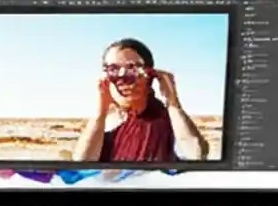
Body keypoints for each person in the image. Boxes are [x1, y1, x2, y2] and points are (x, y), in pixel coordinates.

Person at [74, 38, 208, 162]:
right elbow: (82, 164)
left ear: (150, 75)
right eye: (113, 69)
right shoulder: (104, 121)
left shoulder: (167, 119)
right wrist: (101, 111)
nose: (123, 78)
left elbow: (196, 155)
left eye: (133, 68)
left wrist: (172, 102)